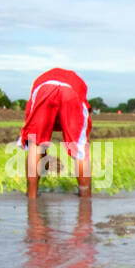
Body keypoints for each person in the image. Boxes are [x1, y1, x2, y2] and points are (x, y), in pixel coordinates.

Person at [20, 68, 92, 198]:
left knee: (35, 144)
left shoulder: (39, 87)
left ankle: (31, 196)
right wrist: (47, 162)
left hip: (43, 91)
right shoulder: (76, 83)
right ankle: (85, 197)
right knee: (80, 146)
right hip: (71, 92)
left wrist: (45, 160)